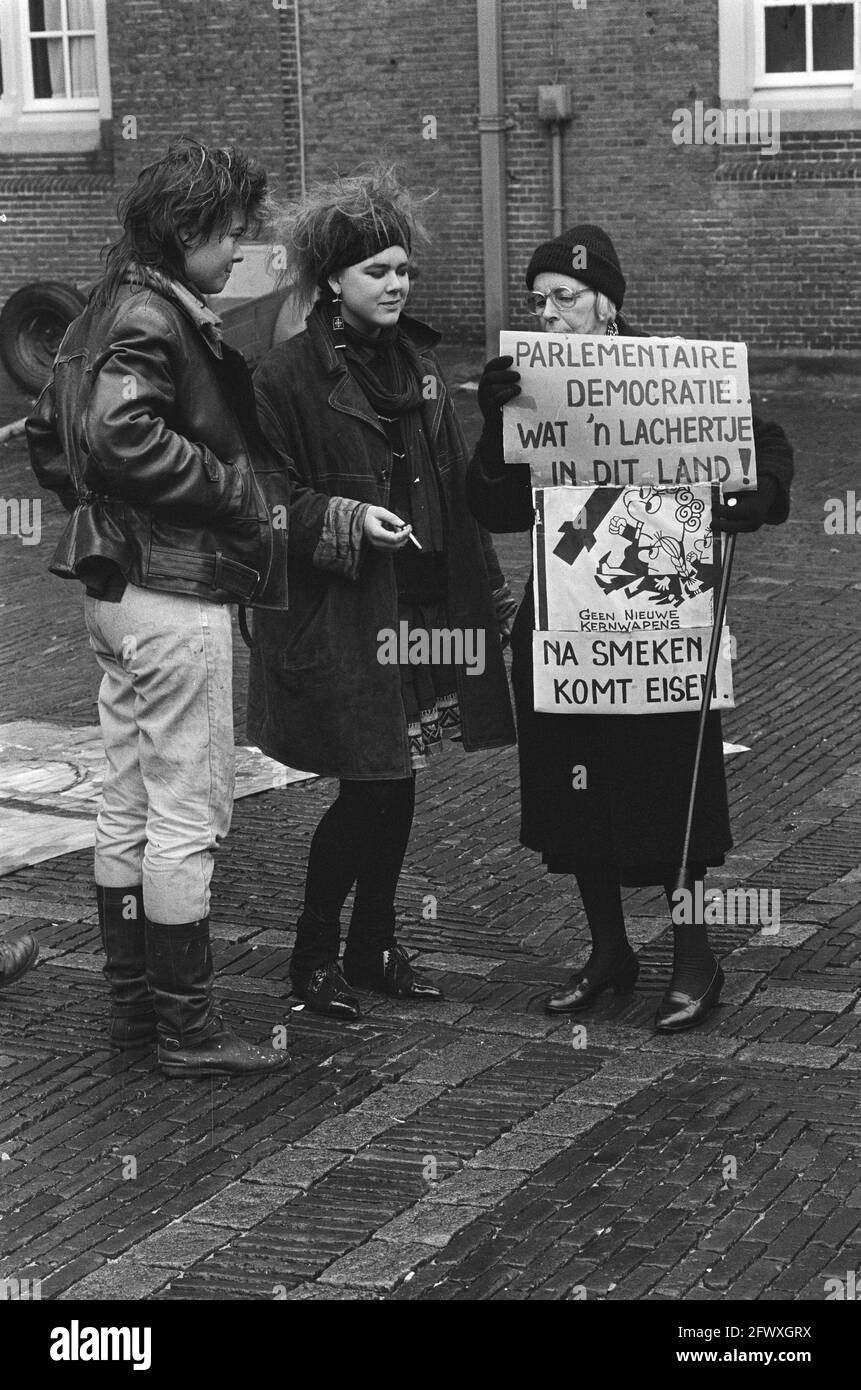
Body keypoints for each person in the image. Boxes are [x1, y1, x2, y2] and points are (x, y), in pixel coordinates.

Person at [467, 224, 794, 1032]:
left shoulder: (669, 375)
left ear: (606, 302)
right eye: (538, 301)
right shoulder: (529, 389)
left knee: (668, 785)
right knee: (575, 785)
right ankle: (608, 950)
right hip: (565, 617)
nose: (548, 313)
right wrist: (493, 429)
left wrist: (755, 494)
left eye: (564, 297)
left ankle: (694, 956)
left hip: (659, 618)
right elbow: (494, 508)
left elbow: (763, 443)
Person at [26, 138, 291, 1077]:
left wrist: (101, 509)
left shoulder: (102, 307)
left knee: (128, 804)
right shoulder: (153, 312)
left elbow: (51, 433)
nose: (237, 253)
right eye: (228, 235)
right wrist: (230, 489)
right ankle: (189, 1031)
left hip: (117, 593)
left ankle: (136, 1014)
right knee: (186, 813)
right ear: (185, 230)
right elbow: (117, 432)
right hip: (175, 593)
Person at [247, 169, 516, 1020]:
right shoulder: (283, 377)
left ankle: (373, 947)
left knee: (397, 782)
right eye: (377, 271)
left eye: (403, 270)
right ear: (332, 279)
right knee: (369, 782)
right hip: (342, 614)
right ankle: (312, 957)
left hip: (421, 609)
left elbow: (458, 497)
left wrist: (491, 600)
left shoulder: (421, 368)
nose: (396, 284)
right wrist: (346, 519)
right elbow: (263, 502)